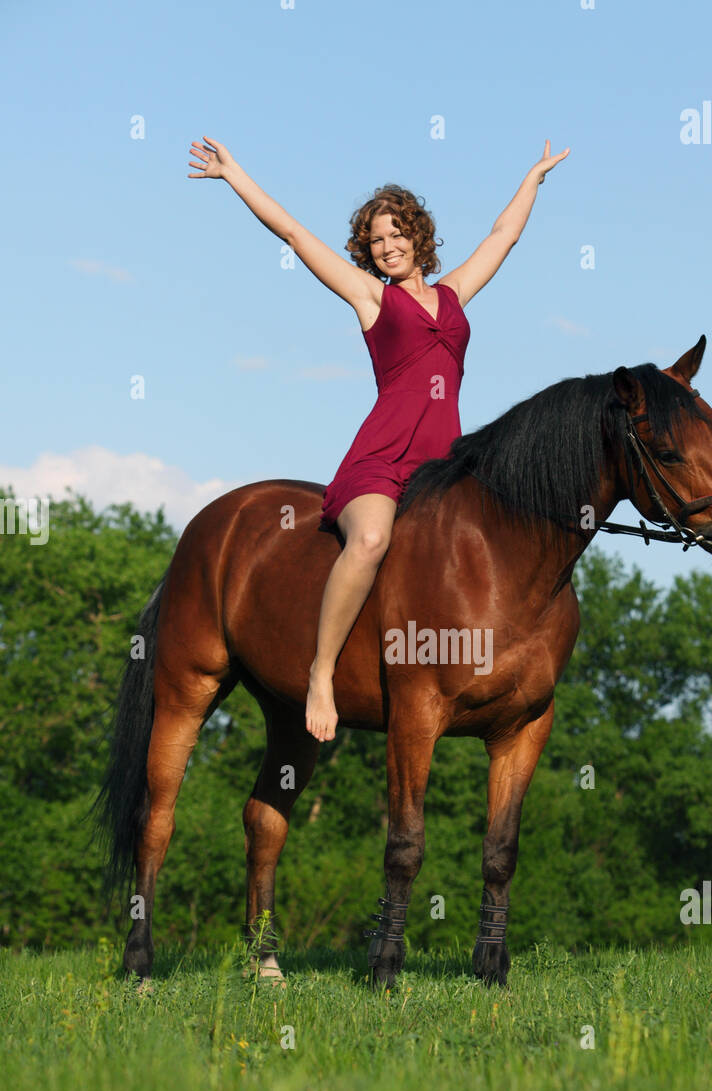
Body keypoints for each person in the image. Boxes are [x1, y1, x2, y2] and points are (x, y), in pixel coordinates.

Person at [188, 135, 570, 741]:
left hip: (444, 468)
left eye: (397, 235)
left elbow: (504, 236)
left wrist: (534, 178)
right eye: (376, 241)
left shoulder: (455, 295)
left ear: (419, 237)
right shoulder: (372, 300)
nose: (387, 247)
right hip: (383, 462)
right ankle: (322, 671)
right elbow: (293, 234)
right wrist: (235, 175)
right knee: (368, 541)